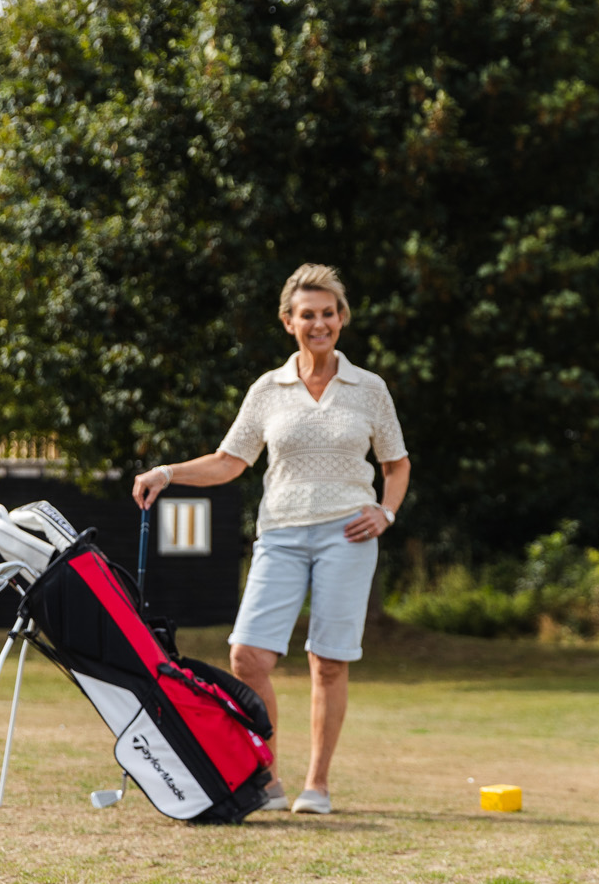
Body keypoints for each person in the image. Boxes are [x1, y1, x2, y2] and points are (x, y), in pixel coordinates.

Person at [131, 263, 410, 816]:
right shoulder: (268, 388)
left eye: (328, 313)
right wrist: (167, 472)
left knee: (328, 661)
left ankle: (318, 785)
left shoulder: (369, 389)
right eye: (307, 314)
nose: (319, 323)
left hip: (347, 535)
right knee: (247, 655)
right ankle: (268, 779)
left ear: (342, 318)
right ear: (289, 322)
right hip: (280, 533)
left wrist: (386, 513)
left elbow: (396, 465)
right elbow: (229, 461)